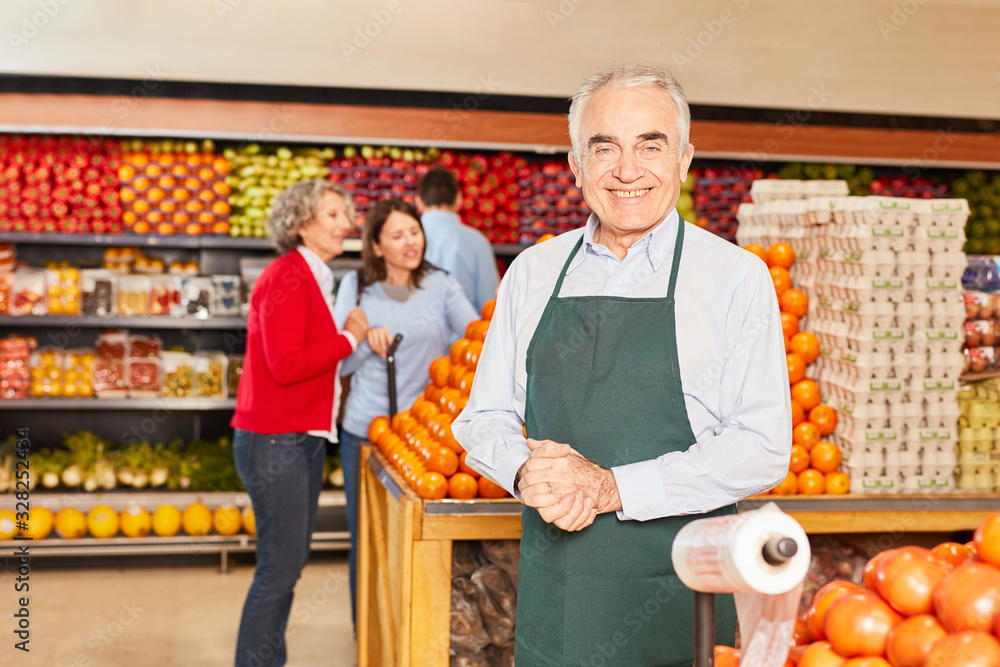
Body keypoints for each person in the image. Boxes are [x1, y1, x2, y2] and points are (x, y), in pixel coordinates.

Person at [452, 64, 792, 666]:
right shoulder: (532, 272)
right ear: (576, 166)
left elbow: (762, 447)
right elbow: (484, 417)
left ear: (685, 159)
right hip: (560, 594)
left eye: (650, 146)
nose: (627, 170)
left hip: (686, 597)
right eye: (603, 147)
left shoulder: (737, 277)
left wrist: (611, 487)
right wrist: (526, 471)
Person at [230, 180, 369, 667]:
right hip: (275, 440)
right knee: (279, 567)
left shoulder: (313, 275)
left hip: (299, 437)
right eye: (331, 215)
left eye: (344, 214)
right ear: (301, 223)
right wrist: (350, 338)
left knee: (285, 566)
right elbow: (286, 363)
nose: (344, 224)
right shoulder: (288, 275)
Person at [334, 198, 478, 623]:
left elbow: (476, 339)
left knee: (419, 537)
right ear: (376, 246)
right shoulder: (356, 288)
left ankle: (413, 629)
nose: (409, 242)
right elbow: (340, 364)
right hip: (366, 433)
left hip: (425, 436)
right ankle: (370, 635)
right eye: (396, 236)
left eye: (413, 232)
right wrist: (364, 341)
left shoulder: (442, 284)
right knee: (368, 537)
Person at [417, 165, 500, 311]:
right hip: (467, 332)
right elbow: (491, 303)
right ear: (459, 199)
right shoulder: (477, 242)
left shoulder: (402, 240)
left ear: (418, 201)